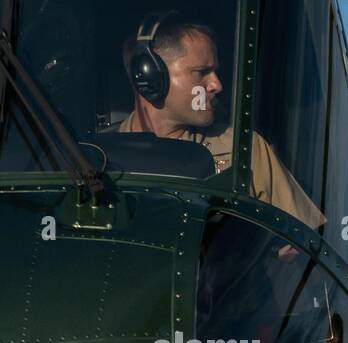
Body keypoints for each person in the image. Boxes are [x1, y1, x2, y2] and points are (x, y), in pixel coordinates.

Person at [117, 13, 324, 229]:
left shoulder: (245, 149)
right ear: (150, 75)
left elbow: (303, 242)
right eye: (201, 72)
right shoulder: (99, 156)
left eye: (215, 72)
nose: (216, 85)